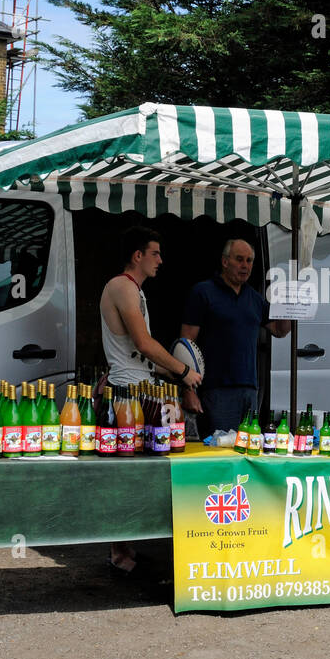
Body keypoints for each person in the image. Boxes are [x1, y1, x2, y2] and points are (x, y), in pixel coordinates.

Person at [99, 226, 202, 572]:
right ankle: (119, 551)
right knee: (126, 475)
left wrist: (177, 381)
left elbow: (137, 354)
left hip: (141, 388)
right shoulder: (121, 287)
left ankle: (131, 545)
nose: (161, 260)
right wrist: (184, 372)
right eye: (155, 253)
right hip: (127, 394)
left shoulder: (135, 291)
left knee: (147, 471)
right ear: (137, 256)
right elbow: (143, 343)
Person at [180, 238, 291, 434]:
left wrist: (291, 307)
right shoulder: (203, 292)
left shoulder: (254, 299)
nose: (245, 266)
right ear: (225, 261)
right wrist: (188, 390)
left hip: (250, 389)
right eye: (239, 259)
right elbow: (185, 345)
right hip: (216, 389)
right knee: (220, 454)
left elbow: (280, 330)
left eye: (249, 261)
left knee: (247, 451)